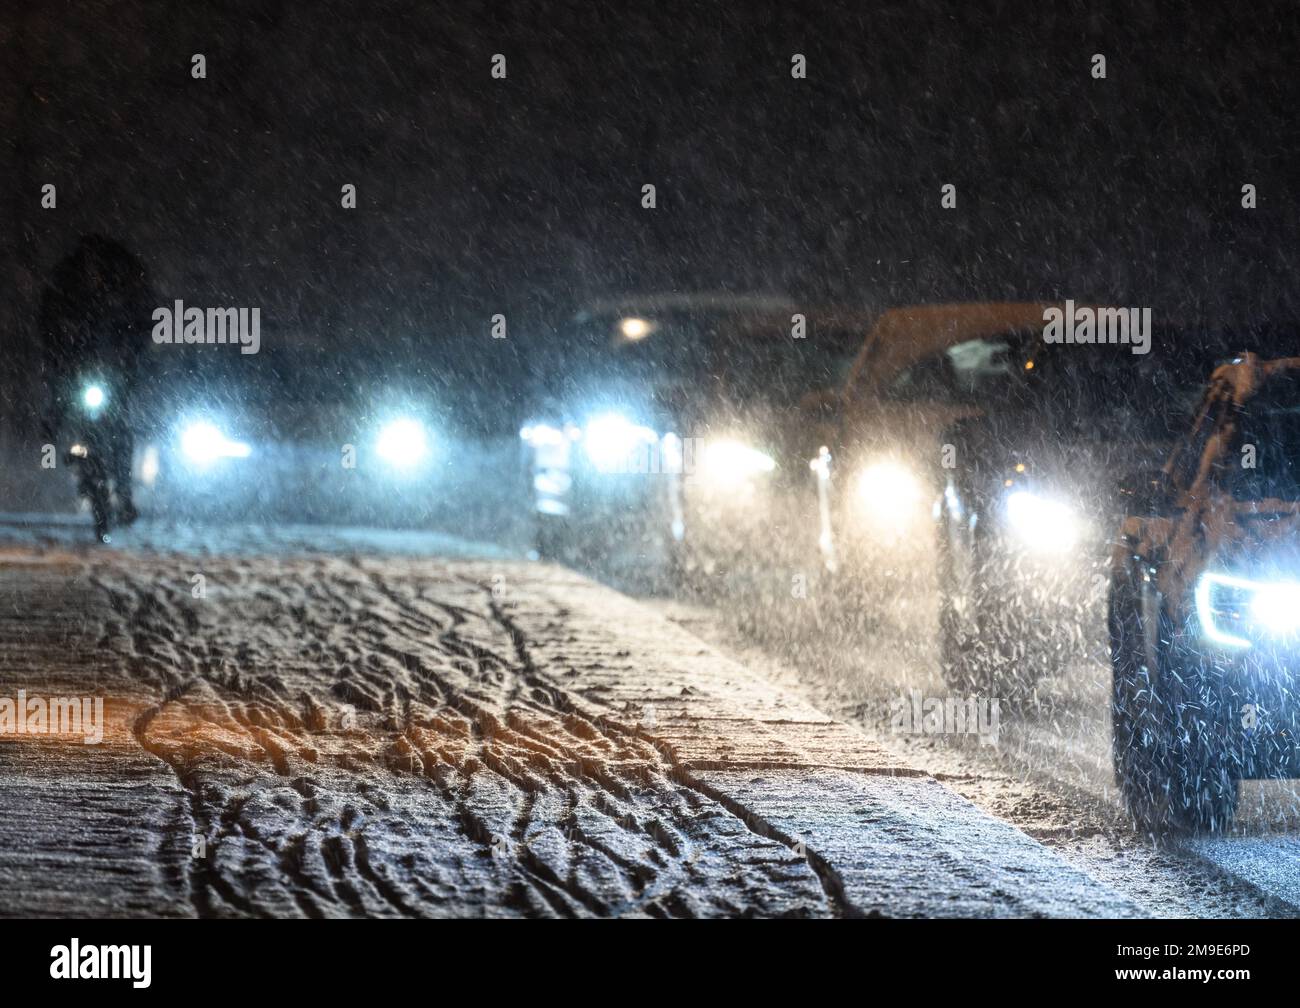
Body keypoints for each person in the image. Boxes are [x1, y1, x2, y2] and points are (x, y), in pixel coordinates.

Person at [38, 235, 155, 533]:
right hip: (77, 365)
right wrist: (59, 348)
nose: (94, 272)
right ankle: (57, 435)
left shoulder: (125, 287)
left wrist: (129, 353)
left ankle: (125, 494)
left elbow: (142, 320)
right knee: (60, 401)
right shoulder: (66, 285)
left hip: (112, 368)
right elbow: (48, 319)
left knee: (121, 428)